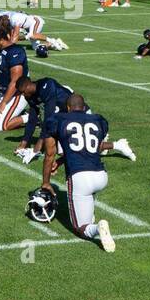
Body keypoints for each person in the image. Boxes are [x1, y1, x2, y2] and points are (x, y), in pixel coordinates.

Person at [38, 92, 136, 253]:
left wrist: (46, 182)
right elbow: (91, 146)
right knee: (87, 202)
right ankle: (90, 218)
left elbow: (49, 154)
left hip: (80, 177)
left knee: (80, 228)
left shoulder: (57, 119)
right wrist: (62, 161)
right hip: (101, 176)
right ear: (84, 108)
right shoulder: (98, 120)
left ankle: (97, 228)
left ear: (68, 108)